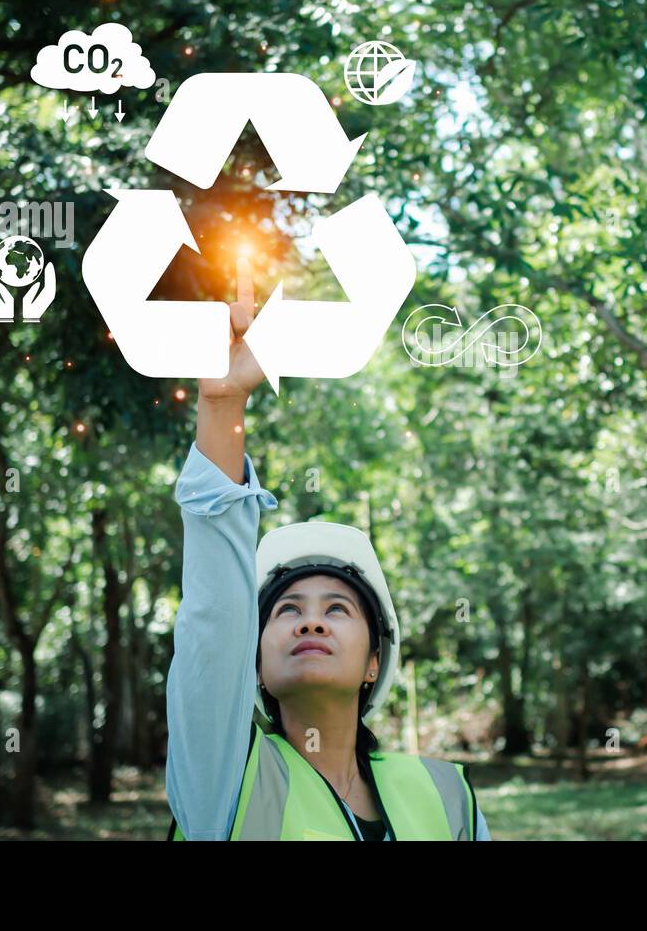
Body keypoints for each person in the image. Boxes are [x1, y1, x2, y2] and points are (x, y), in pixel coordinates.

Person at [165, 257, 492, 840]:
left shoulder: (447, 799)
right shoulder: (225, 784)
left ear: (373, 662)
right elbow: (214, 623)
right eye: (287, 611)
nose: (310, 622)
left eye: (337, 609)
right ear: (255, 666)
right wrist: (222, 406)